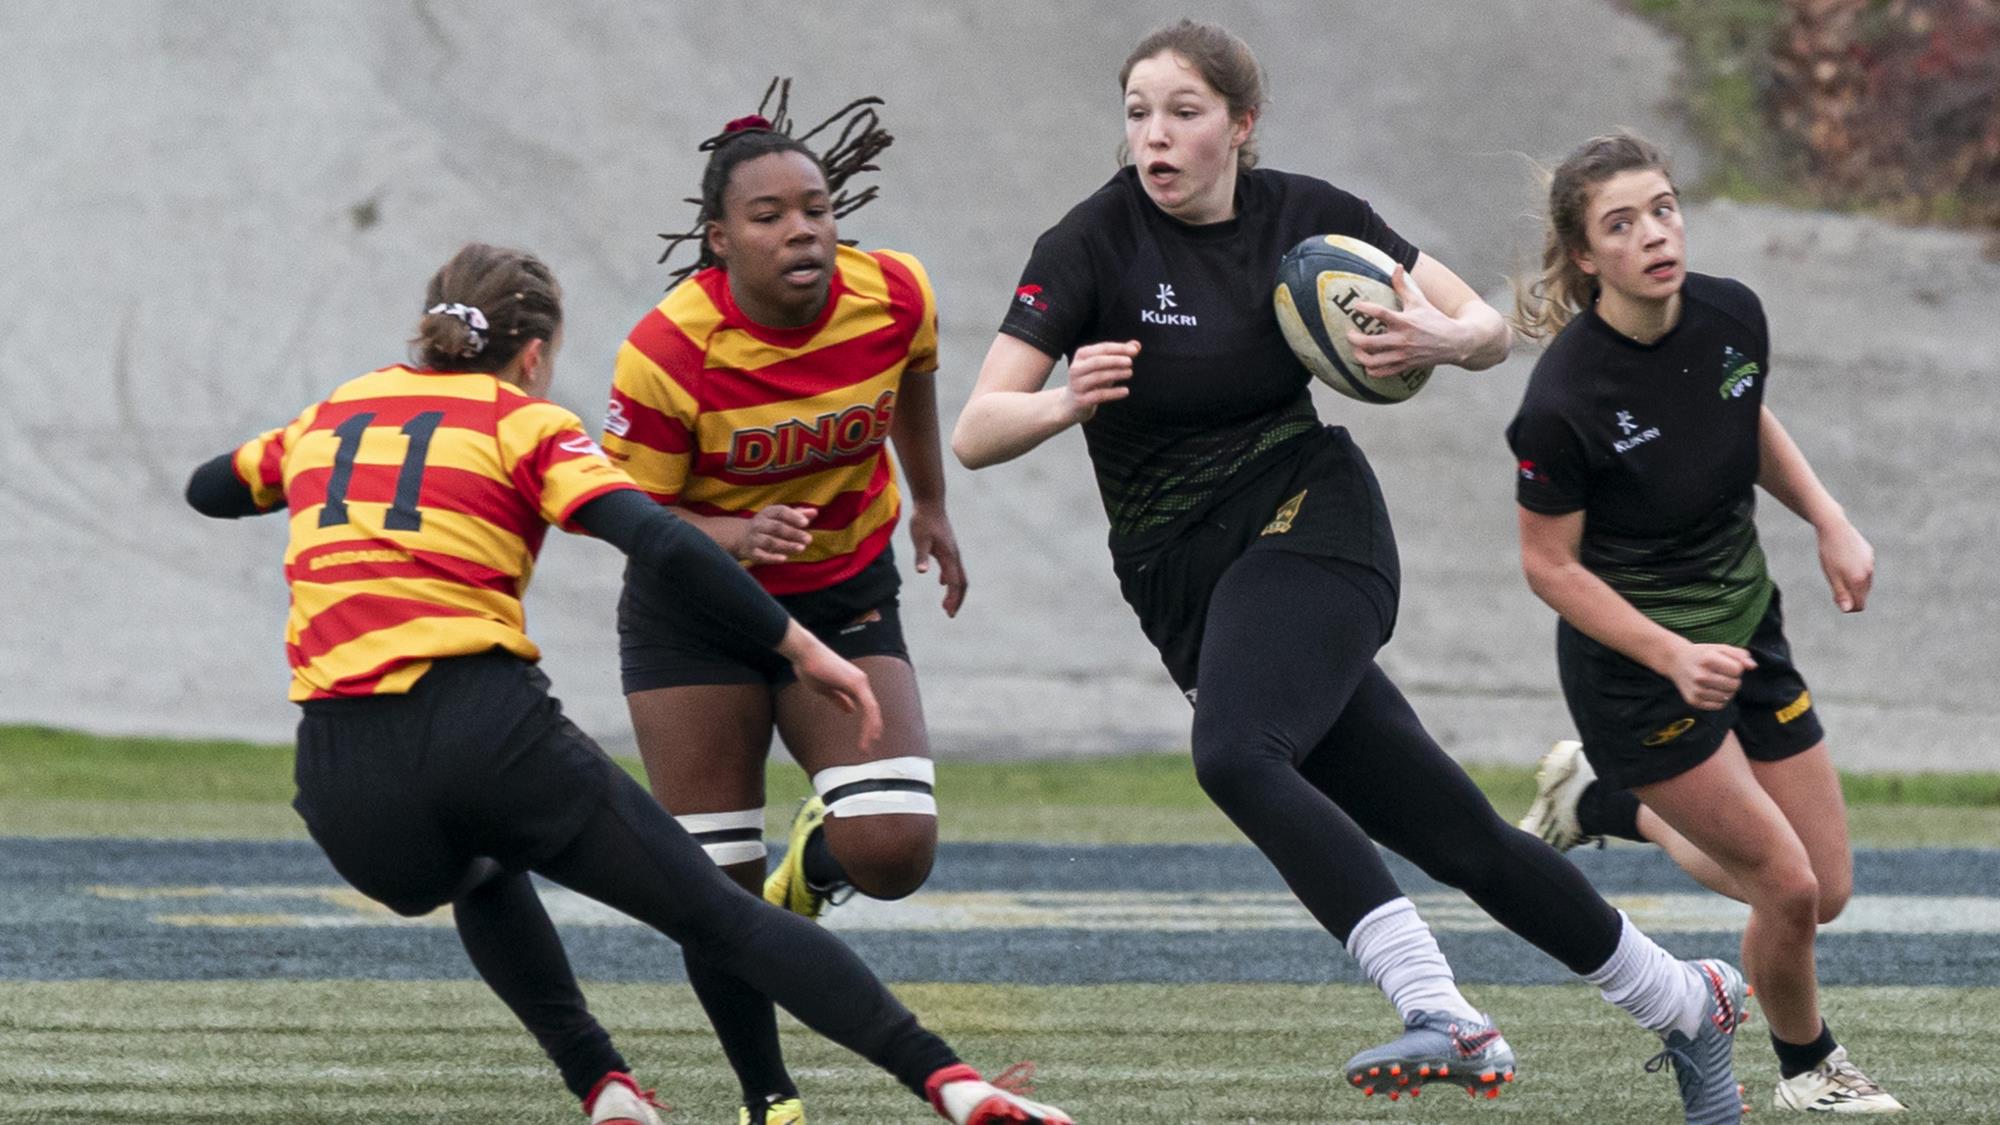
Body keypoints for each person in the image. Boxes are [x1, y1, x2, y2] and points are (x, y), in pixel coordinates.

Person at [953, 19, 1753, 1121]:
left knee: (1235, 754)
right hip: (1184, 586)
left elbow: (1479, 324)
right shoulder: (1090, 243)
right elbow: (975, 429)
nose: (1154, 135)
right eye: (1137, 112)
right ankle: (1684, 1000)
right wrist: (1060, 401)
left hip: (1312, 526)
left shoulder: (1305, 218)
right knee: (1461, 837)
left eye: (1182, 111)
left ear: (1240, 124)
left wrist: (1432, 340)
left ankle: (1444, 1012)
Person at [183, 243, 1070, 1125]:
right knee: (720, 915)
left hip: (344, 782)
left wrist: (312, 472)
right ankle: (952, 1082)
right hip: (486, 730)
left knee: (478, 872)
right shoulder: (520, 422)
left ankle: (605, 1087)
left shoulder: (334, 414)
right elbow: (658, 537)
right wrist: (798, 644)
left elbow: (209, 488)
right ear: (533, 355)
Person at [1507, 132, 1905, 1115]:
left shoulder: (1732, 313)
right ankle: (1807, 1070)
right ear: (1586, 257)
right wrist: (1670, 654)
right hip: (1635, 671)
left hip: (1746, 628)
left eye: (1663, 207)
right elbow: (1544, 565)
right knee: (1787, 889)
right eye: (1620, 223)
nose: (1653, 233)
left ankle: (1599, 806)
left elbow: (1744, 416)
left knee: (1825, 888)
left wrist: (1828, 518)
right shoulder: (1562, 400)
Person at [601, 82, 966, 1125]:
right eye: (769, 216)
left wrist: (931, 505)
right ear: (719, 240)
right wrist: (729, 537)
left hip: (843, 595)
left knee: (893, 852)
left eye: (814, 207)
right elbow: (625, 510)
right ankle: (770, 1097)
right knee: (712, 892)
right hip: (694, 619)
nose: (801, 229)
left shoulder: (893, 292)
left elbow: (915, 378)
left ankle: (819, 856)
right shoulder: (669, 349)